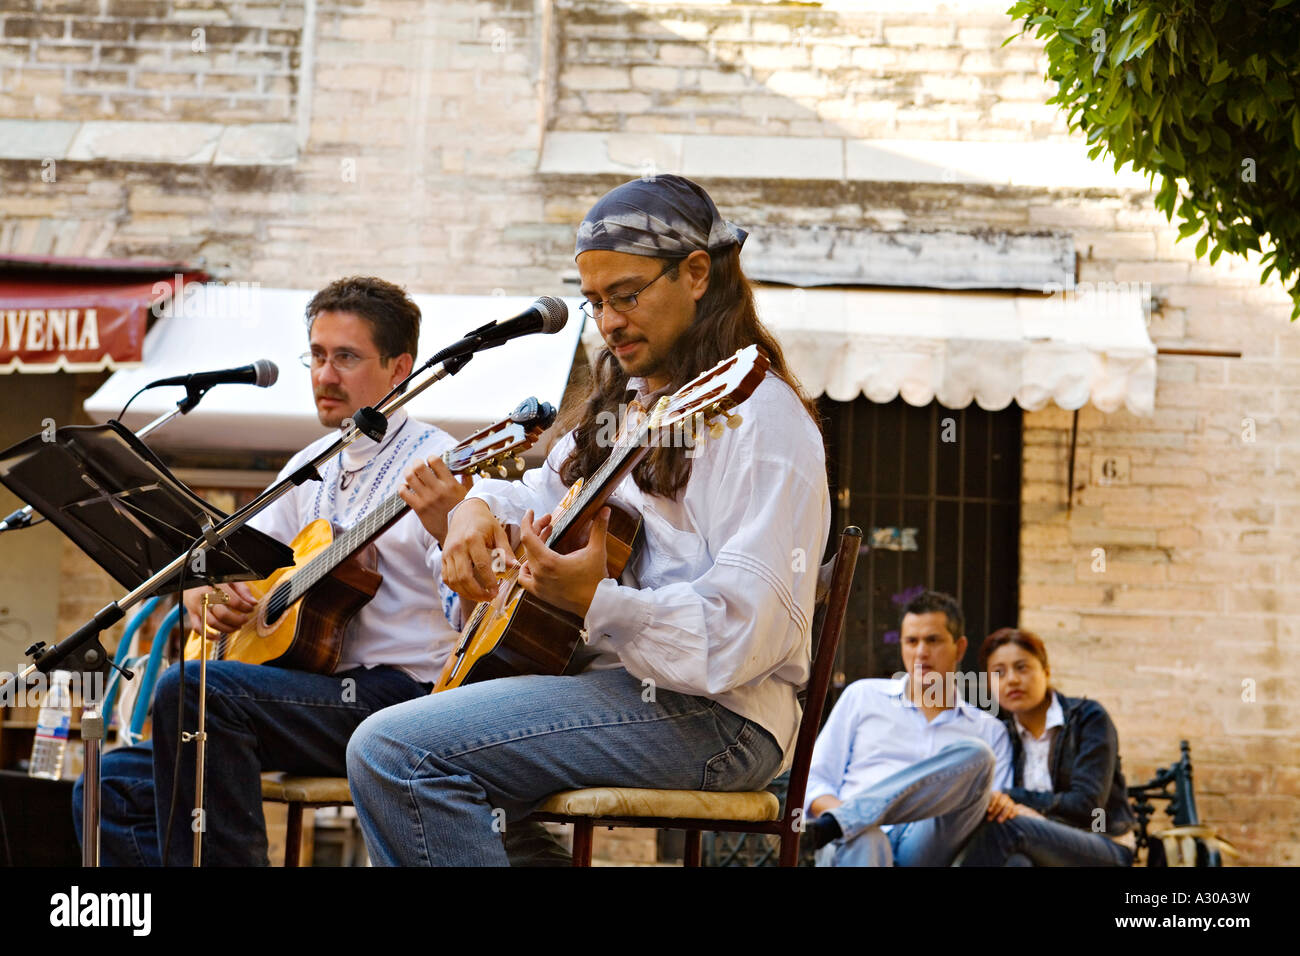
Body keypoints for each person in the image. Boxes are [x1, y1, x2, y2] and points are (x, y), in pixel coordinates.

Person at [344, 174, 831, 866]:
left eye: (627, 295)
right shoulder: (631, 408)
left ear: (697, 274)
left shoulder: (759, 420)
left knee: (399, 753)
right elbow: (540, 491)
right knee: (433, 758)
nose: (608, 323)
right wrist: (473, 512)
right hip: (607, 688)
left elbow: (741, 638)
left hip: (718, 718)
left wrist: (595, 602)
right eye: (595, 303)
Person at [73, 276, 470, 866]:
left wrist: (447, 526)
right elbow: (233, 574)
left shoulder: (443, 465)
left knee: (192, 691)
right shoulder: (310, 464)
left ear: (399, 367)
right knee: (106, 782)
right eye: (316, 356)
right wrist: (212, 600)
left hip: (398, 700)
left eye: (345, 357)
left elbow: (474, 604)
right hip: (302, 692)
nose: (324, 375)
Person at [802, 590, 1014, 866]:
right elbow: (815, 781)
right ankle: (848, 822)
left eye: (933, 640)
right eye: (911, 641)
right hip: (856, 843)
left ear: (960, 648)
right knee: (869, 837)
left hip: (929, 849)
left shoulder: (990, 730)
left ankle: (843, 822)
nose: (921, 652)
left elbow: (990, 809)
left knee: (978, 755)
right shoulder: (863, 697)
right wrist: (856, 821)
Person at [959, 627, 1136, 866]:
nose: (1011, 679)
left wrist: (1014, 799)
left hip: (1103, 842)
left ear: (1046, 672)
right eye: (998, 672)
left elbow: (1088, 806)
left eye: (1021, 667)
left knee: (1005, 830)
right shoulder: (1002, 735)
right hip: (1034, 843)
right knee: (1016, 864)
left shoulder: (1088, 718)